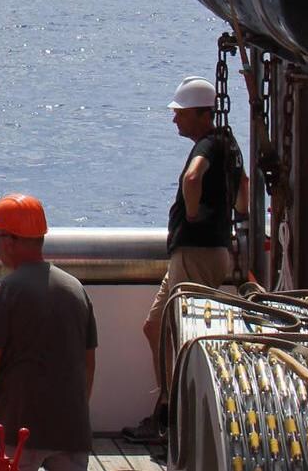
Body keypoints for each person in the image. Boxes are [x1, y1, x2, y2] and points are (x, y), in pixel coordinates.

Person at [126, 76, 249, 444]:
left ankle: (178, 421)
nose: (175, 120)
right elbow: (243, 188)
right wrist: (235, 215)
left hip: (194, 252)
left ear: (200, 113)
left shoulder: (209, 145)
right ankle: (167, 407)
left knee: (181, 335)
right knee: (155, 326)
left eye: (180, 113)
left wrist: (193, 215)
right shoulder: (227, 144)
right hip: (203, 252)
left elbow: (192, 177)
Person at [0, 194, 97, 471]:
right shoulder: (76, 290)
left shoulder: (5, 291)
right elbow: (87, 364)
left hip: (18, 431)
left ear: (10, 241)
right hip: (72, 432)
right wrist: (73, 416)